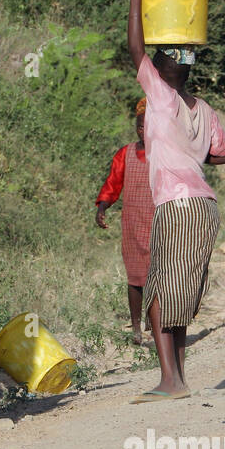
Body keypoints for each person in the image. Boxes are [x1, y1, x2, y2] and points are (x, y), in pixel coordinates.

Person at [127, 0, 225, 403]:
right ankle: (179, 377)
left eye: (156, 61)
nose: (149, 63)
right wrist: (193, 153)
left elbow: (135, 47)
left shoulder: (159, 95)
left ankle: (170, 381)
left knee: (157, 287)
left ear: (163, 71)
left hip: (176, 204)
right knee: (182, 287)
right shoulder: (202, 107)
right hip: (205, 205)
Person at [94, 98, 155, 345]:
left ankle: (157, 324)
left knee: (158, 275)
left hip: (159, 221)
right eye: (140, 126)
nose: (144, 131)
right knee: (135, 277)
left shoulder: (165, 153)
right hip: (132, 223)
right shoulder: (125, 153)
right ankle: (137, 327)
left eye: (149, 126)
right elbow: (113, 184)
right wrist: (102, 207)